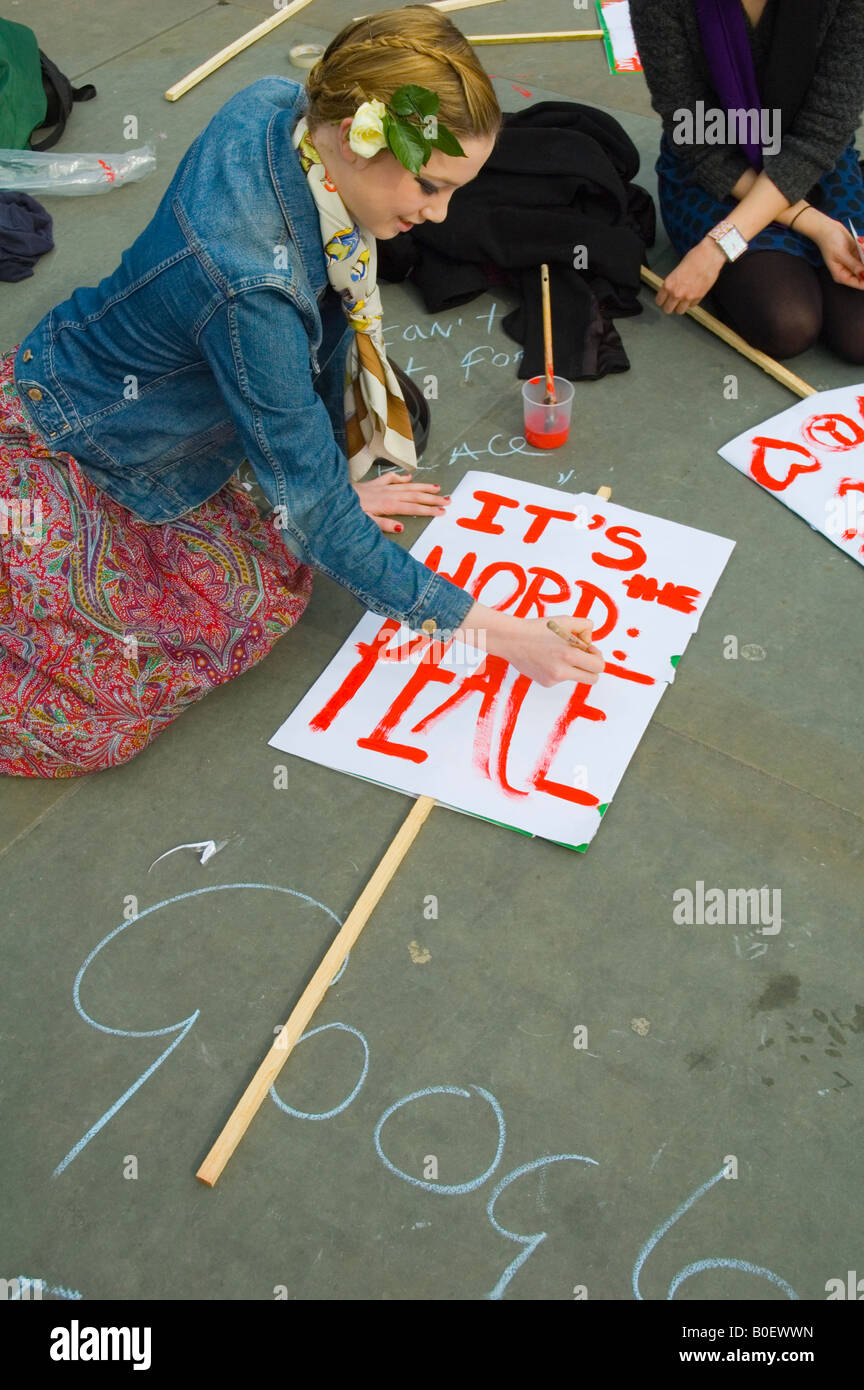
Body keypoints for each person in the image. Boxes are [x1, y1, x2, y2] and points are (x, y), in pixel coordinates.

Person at [0, 5, 604, 779]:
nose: (437, 213)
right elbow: (315, 503)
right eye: (428, 182)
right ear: (360, 133)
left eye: (457, 188)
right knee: (103, 710)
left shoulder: (278, 104)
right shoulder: (253, 285)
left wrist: (336, 486)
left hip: (162, 406)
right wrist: (501, 633)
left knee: (286, 555)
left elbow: (325, 333)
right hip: (81, 442)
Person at [630, 0, 864, 360]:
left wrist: (720, 246)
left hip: (817, 161)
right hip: (719, 171)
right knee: (788, 323)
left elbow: (823, 130)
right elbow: (696, 136)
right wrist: (816, 226)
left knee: (859, 334)